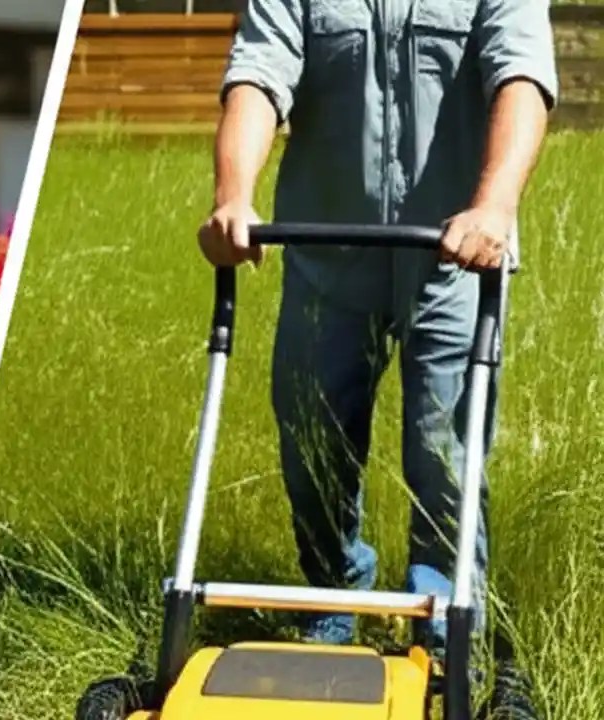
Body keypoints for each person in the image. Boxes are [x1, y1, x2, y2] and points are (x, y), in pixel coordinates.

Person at [198, 0, 556, 683]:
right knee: (313, 447)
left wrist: (494, 205)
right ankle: (333, 601)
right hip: (328, 257)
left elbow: (522, 76)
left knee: (445, 455)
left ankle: (445, 627)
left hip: (455, 260)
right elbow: (259, 75)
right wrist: (233, 195)